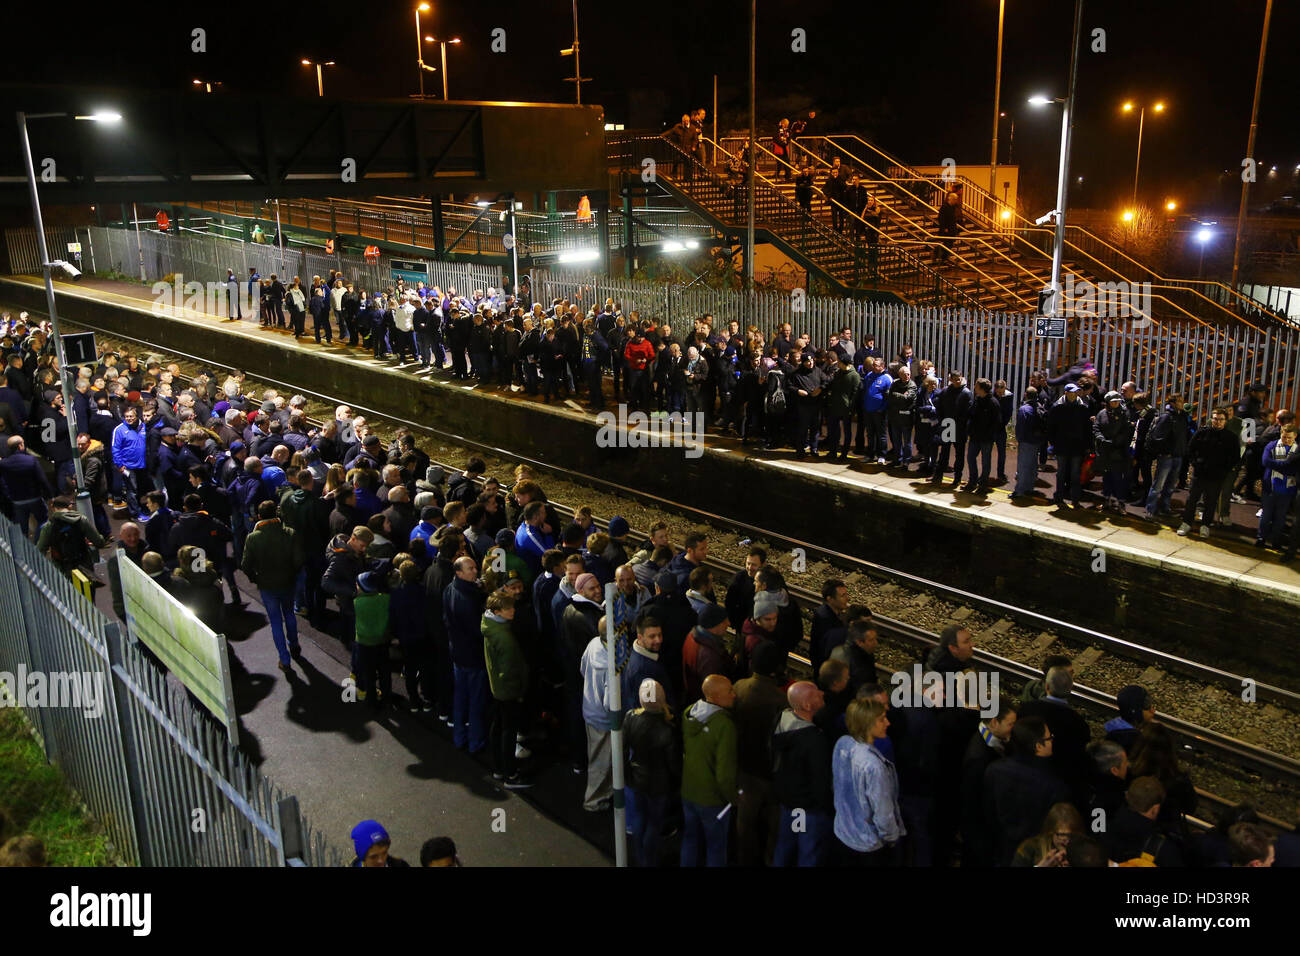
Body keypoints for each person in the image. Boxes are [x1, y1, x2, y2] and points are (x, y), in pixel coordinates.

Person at [982, 715, 1069, 866]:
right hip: (1033, 855)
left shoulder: (994, 769)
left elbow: (987, 812)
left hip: (997, 849)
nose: (1052, 741)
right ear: (1038, 746)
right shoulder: (1054, 785)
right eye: (1049, 738)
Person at [732, 641, 787, 866]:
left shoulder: (738, 687)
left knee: (745, 824)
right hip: (768, 772)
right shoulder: (780, 700)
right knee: (774, 826)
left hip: (743, 768)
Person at [832, 697, 905, 865]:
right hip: (868, 845)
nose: (887, 723)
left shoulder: (842, 744)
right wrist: (892, 837)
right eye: (881, 719)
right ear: (867, 724)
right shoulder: (874, 766)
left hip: (843, 833)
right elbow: (883, 811)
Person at [772, 680, 835, 866]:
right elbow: (820, 781)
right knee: (809, 854)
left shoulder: (780, 721)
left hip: (789, 805)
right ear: (807, 706)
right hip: (808, 810)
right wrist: (827, 808)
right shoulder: (815, 740)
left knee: (785, 848)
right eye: (816, 693)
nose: (822, 693)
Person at [680, 673, 739, 866]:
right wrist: (733, 798)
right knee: (716, 848)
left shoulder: (689, 713)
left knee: (690, 841)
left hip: (688, 792)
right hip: (713, 801)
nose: (734, 694)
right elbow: (724, 774)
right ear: (714, 697)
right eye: (729, 691)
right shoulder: (725, 726)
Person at [240, 499, 303, 672]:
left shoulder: (253, 538)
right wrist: (292, 574)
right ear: (276, 513)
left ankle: (285, 659)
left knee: (275, 621)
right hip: (287, 582)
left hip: (267, 586)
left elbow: (245, 565)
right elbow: (298, 560)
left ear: (259, 516)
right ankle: (295, 645)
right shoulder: (289, 533)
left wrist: (255, 579)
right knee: (289, 614)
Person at [623, 678, 680, 867]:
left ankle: (640, 857)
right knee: (654, 823)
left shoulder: (630, 717)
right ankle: (649, 860)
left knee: (639, 817)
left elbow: (622, 749)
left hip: (637, 778)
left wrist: (626, 773)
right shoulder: (667, 728)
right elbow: (673, 764)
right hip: (659, 784)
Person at [482, 589, 533, 789]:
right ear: (497, 611)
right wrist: (519, 692)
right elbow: (510, 670)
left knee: (498, 728)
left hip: (497, 687)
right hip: (508, 691)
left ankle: (498, 767)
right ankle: (510, 774)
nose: (513, 611)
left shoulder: (490, 626)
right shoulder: (504, 637)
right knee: (508, 732)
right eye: (508, 608)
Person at [444, 555, 489, 751]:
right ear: (458, 572)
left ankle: (459, 737)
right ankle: (475, 742)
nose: (475, 571)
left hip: (457, 653)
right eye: (470, 569)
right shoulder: (468, 598)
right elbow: (477, 630)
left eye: (474, 567)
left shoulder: (450, 589)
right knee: (476, 702)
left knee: (461, 697)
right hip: (473, 657)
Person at [353, 571, 391, 708]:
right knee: (384, 672)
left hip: (364, 643)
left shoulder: (357, 602)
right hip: (382, 641)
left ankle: (371, 700)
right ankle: (387, 698)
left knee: (368, 674)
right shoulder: (385, 599)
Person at [1258, 423, 1298, 548]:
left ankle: (1275, 540)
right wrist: (1286, 465)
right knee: (1266, 516)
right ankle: (1261, 538)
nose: (1286, 440)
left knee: (1280, 518)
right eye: (1284, 437)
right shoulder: (1272, 445)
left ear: (1295, 436)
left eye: (1289, 438)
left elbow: (1294, 469)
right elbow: (1265, 461)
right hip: (1270, 487)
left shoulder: (1297, 449)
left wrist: (1277, 465)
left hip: (1288, 490)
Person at [1011, 802, 1084, 867]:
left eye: (1071, 835)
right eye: (1062, 835)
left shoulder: (1084, 852)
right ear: (1051, 832)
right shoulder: (1029, 849)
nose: (1067, 840)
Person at [1012, 387, 1045, 499]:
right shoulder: (1040, 407)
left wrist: (1019, 439)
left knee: (1023, 466)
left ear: (1026, 394)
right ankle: (1029, 488)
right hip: (1037, 440)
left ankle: (1020, 490)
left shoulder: (1024, 409)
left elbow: (1021, 426)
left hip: (1026, 440)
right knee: (1032, 465)